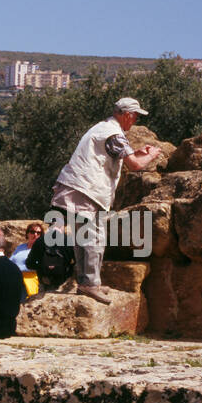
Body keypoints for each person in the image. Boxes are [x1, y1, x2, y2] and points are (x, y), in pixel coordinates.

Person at [51, 96, 164, 303]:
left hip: (76, 188)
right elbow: (136, 165)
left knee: (82, 236)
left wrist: (137, 152)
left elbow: (118, 155)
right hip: (86, 190)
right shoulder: (113, 133)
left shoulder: (103, 129)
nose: (135, 121)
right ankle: (90, 284)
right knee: (95, 236)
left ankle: (86, 281)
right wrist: (152, 154)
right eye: (136, 116)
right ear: (127, 115)